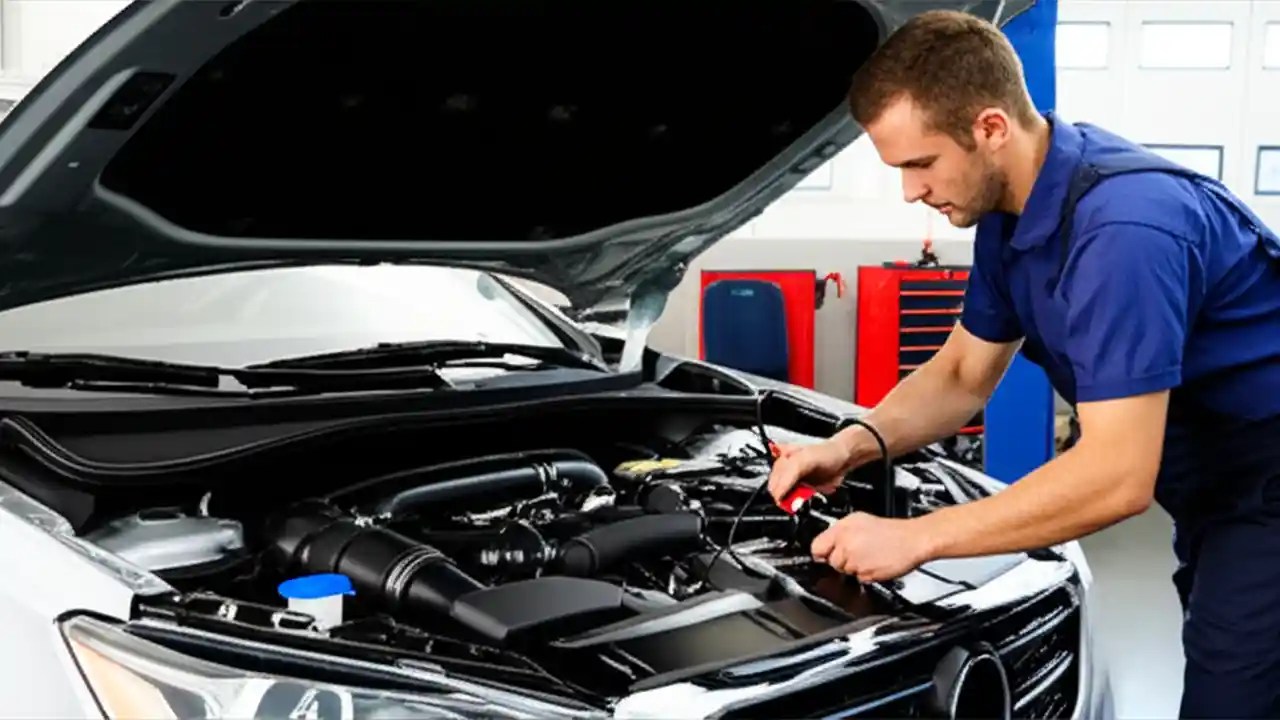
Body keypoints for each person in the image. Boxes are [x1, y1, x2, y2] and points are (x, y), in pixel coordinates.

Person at [765, 9, 1280, 718]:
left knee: (1232, 697)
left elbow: (1117, 476)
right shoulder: (1009, 215)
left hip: (1265, 488)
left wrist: (917, 540)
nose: (911, 192)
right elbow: (961, 374)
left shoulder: (1125, 230)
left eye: (920, 164)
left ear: (991, 128)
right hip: (1214, 488)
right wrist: (850, 447)